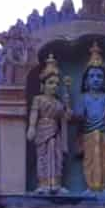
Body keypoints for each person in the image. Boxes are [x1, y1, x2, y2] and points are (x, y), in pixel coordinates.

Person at [72, 42, 105, 194]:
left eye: (99, 76)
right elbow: (79, 114)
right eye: (92, 76)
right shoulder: (83, 97)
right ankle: (91, 187)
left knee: (104, 161)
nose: (96, 79)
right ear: (86, 80)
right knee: (90, 161)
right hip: (88, 133)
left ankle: (102, 187)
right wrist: (73, 114)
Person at [26, 55, 70, 193]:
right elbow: (34, 113)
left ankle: (55, 183)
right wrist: (31, 127)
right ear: (43, 85)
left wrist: (68, 103)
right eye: (51, 83)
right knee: (43, 156)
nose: (54, 86)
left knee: (56, 156)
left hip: (55, 132)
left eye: (56, 84)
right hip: (42, 130)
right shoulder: (38, 99)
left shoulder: (58, 103)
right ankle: (43, 184)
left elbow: (66, 117)